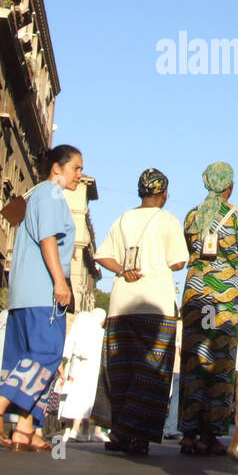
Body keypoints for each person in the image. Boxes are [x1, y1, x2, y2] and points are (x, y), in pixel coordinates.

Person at [0, 145, 82, 452]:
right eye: (76, 168)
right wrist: (60, 281)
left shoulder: (37, 195)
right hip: (42, 291)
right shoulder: (52, 194)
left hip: (23, 293)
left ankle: (24, 428)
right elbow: (48, 238)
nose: (79, 174)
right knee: (46, 353)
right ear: (57, 169)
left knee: (24, 357)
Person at [92, 168, 189, 455]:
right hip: (156, 304)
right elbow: (178, 262)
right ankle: (137, 436)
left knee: (121, 367)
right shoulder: (168, 220)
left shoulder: (123, 218)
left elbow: (104, 255)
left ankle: (118, 432)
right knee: (151, 369)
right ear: (163, 194)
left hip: (122, 303)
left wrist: (123, 269)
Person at [177, 162, 238, 456]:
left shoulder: (192, 217)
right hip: (222, 299)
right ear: (229, 186)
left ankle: (188, 433)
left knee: (194, 360)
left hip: (195, 294)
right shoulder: (237, 217)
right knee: (219, 361)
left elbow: (188, 253)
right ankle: (211, 433)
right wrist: (236, 266)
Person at [58, 307, 106, 443]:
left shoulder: (84, 331)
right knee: (87, 402)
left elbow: (76, 353)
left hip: (80, 371)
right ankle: (78, 430)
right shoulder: (101, 333)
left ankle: (76, 430)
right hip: (93, 373)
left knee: (76, 399)